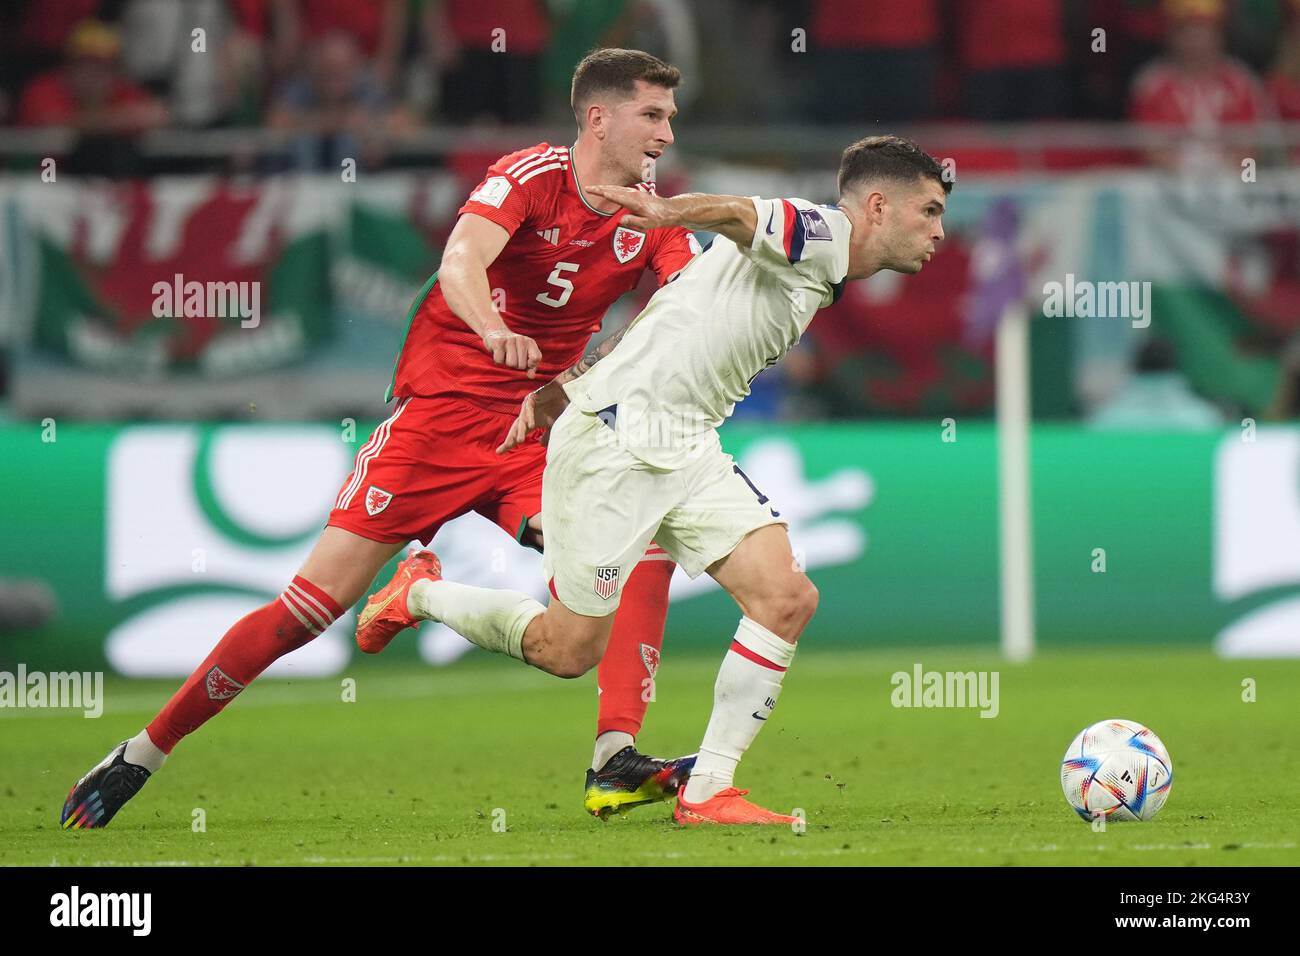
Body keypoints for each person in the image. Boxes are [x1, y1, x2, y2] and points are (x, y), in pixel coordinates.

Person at [60, 48, 699, 830]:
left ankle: (610, 754)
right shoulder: (532, 178)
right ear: (598, 117)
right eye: (653, 114)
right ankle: (141, 752)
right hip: (438, 424)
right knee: (303, 613)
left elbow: (684, 306)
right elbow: (461, 259)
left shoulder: (654, 211)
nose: (667, 132)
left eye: (669, 116)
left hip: (539, 437)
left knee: (624, 566)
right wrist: (493, 327)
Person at [371, 135, 950, 824]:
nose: (939, 233)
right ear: (878, 206)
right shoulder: (825, 232)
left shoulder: (809, 265)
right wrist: (672, 211)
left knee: (786, 596)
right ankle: (422, 593)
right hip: (617, 450)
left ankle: (707, 792)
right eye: (930, 211)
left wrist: (566, 387)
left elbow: (665, 321)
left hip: (680, 445)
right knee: (567, 650)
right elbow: (740, 212)